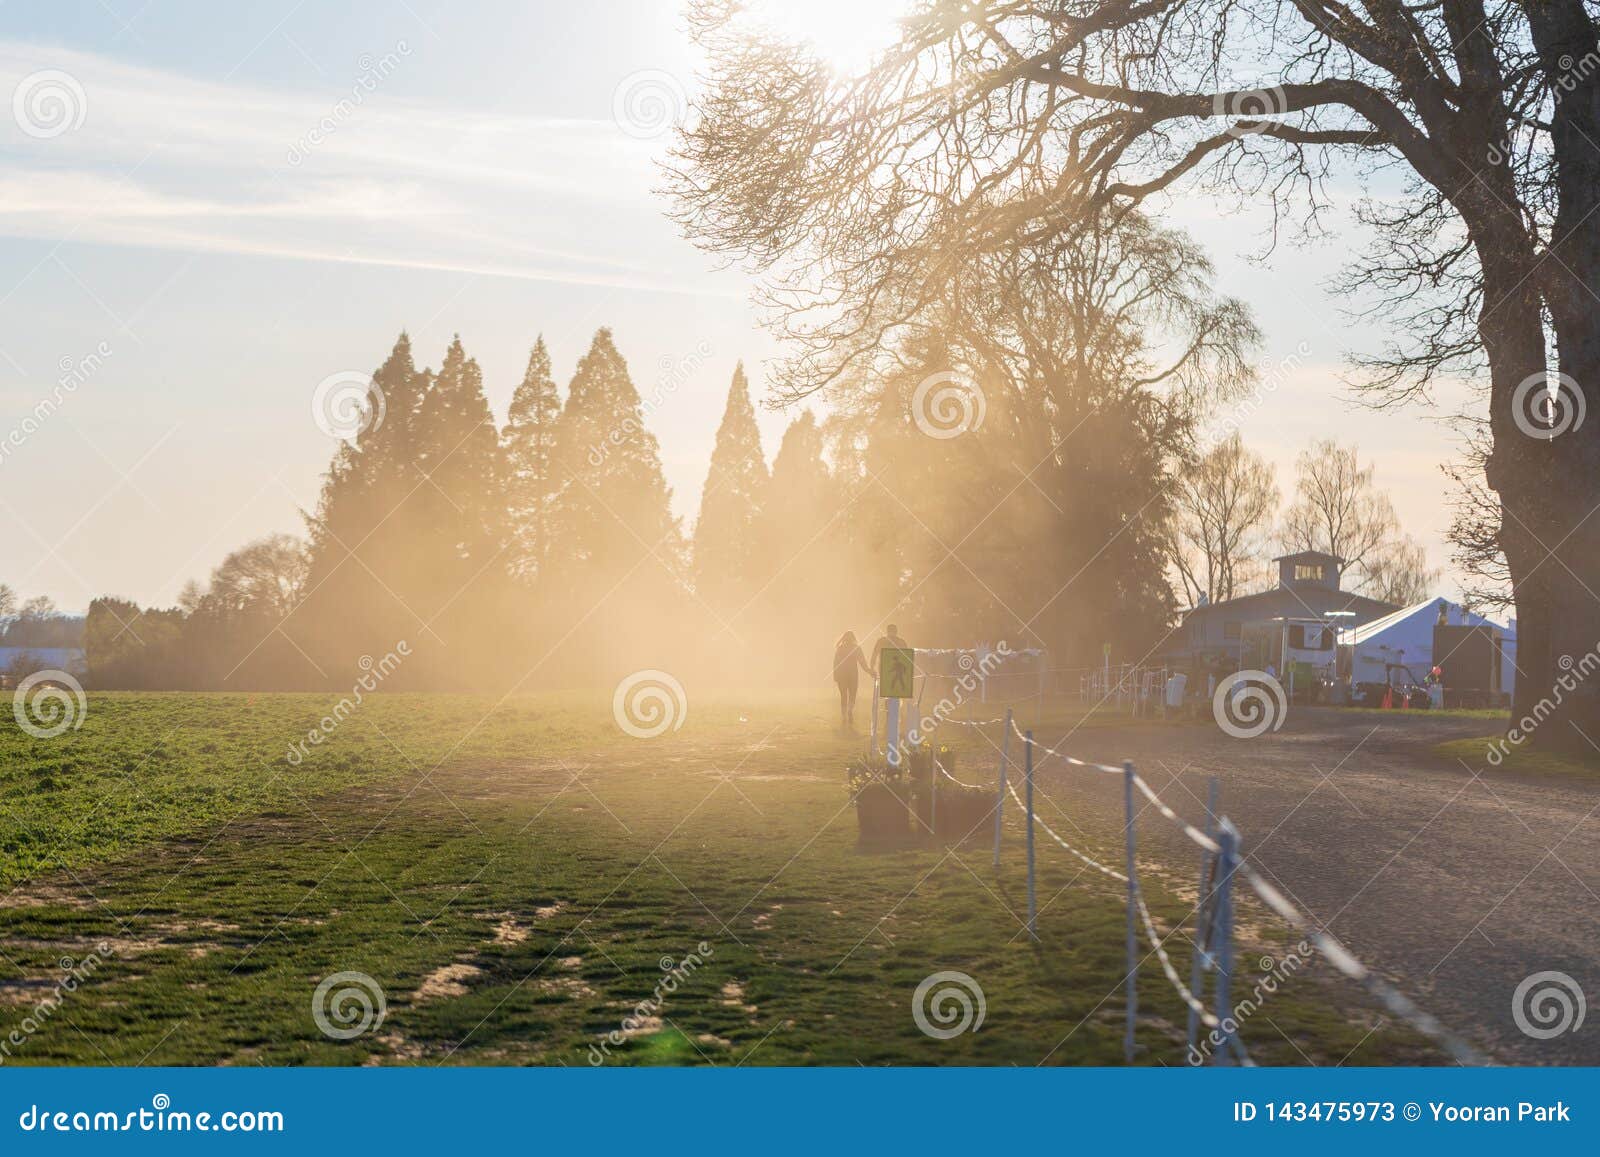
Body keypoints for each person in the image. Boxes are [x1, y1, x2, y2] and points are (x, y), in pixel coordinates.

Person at [832, 631, 872, 728]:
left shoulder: (840, 648)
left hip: (841, 675)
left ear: (844, 638)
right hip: (853, 675)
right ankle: (850, 709)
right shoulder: (856, 648)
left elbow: (835, 663)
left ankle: (844, 715)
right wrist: (870, 671)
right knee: (852, 694)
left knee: (843, 695)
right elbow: (863, 663)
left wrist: (835, 675)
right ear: (853, 638)